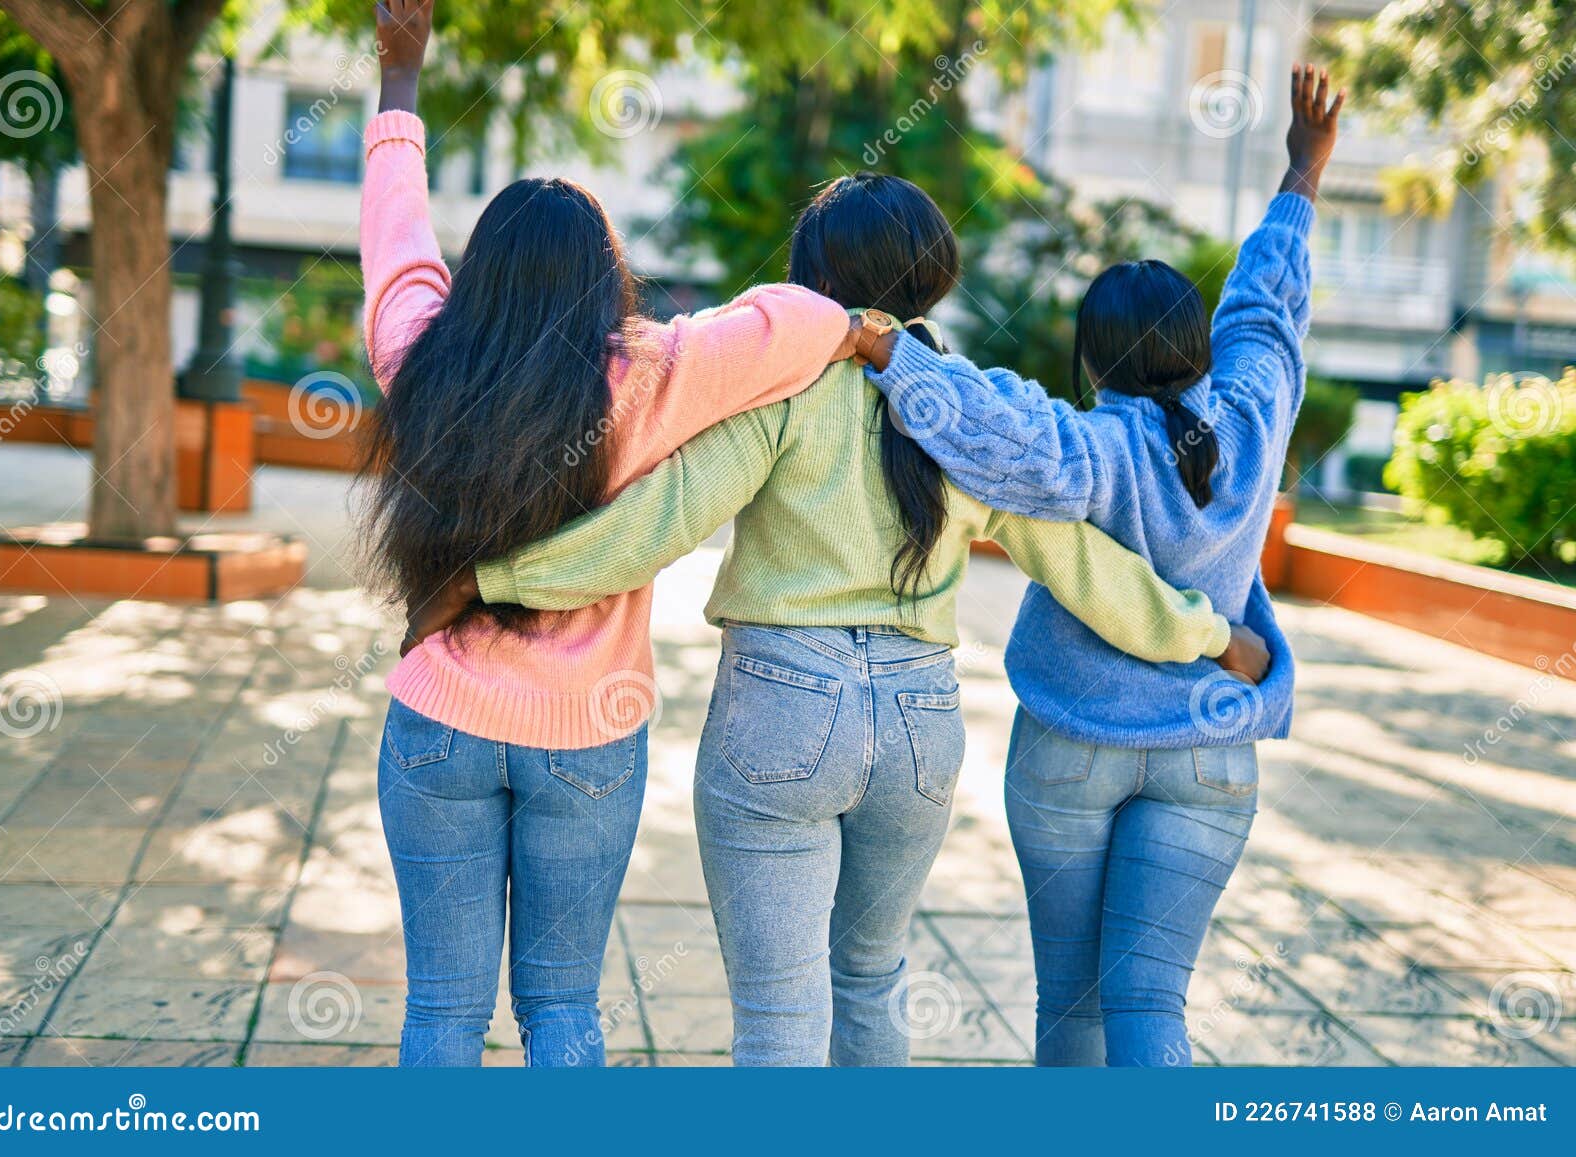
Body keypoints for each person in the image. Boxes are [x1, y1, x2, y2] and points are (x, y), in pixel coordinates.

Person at [413, 172, 1270, 1066]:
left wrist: (492, 580)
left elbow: (650, 527)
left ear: (812, 275)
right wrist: (1212, 637)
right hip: (920, 726)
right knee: (869, 980)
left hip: (782, 711)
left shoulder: (783, 395)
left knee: (782, 1020)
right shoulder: (973, 410)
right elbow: (1087, 566)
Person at [361, 0, 858, 1067]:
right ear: (602, 271)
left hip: (438, 718)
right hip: (588, 734)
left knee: (440, 1015)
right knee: (563, 1011)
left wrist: (401, 84)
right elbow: (797, 322)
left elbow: (397, 247)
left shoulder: (420, 355)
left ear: (481, 272)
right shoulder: (646, 374)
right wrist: (860, 327)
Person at [853, 64, 1343, 1066]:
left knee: (1073, 1009)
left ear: (1093, 361)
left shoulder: (1090, 446)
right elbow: (1267, 309)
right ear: (1198, 348)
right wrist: (1301, 175)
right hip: (1210, 747)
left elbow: (990, 429)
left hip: (1073, 744)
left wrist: (888, 351)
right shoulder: (1253, 410)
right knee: (1151, 1012)